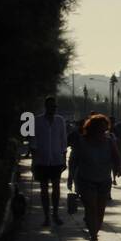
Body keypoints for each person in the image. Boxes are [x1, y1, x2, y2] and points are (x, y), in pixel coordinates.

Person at [74, 113, 121, 241]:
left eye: (104, 129)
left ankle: (94, 232)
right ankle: (94, 237)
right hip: (86, 179)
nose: (103, 132)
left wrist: (118, 167)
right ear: (92, 128)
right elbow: (74, 159)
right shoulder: (82, 141)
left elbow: (116, 156)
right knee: (91, 207)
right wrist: (72, 177)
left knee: (100, 211)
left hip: (103, 180)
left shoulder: (109, 141)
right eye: (100, 129)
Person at [31, 96, 69, 226]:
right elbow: (33, 141)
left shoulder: (60, 121)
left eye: (54, 106)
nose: (53, 108)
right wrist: (34, 161)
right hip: (42, 160)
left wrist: (64, 159)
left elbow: (64, 140)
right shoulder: (36, 121)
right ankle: (46, 216)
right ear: (46, 107)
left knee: (56, 188)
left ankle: (55, 214)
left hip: (56, 159)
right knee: (43, 189)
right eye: (51, 106)